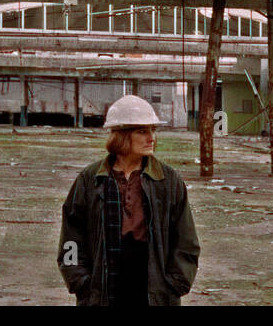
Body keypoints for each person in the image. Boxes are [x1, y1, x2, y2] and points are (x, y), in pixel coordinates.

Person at [57, 95, 199, 306]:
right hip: (104, 284)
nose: (151, 138)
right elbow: (71, 236)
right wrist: (80, 281)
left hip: (152, 285)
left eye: (153, 130)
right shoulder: (90, 180)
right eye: (142, 131)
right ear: (122, 136)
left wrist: (175, 284)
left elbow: (186, 240)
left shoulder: (167, 181)